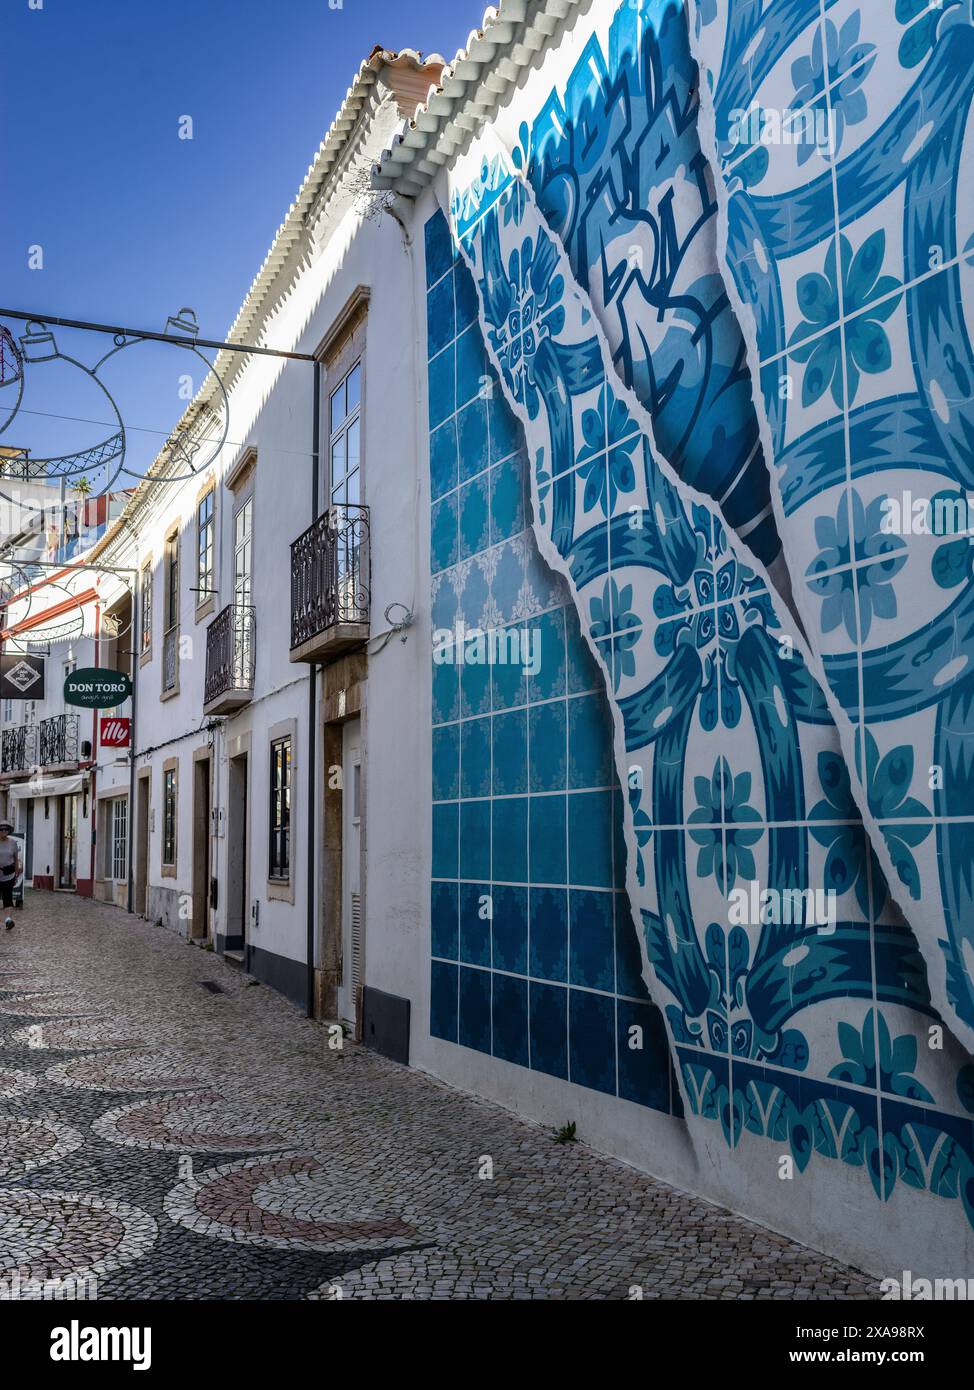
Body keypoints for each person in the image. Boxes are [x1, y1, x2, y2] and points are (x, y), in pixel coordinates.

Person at [0, 821, 21, 930]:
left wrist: (16, 874)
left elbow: (16, 859)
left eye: (6, 829)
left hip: (9, 875)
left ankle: (8, 920)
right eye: (1, 829)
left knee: (7, 898)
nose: (4, 831)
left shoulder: (13, 843)